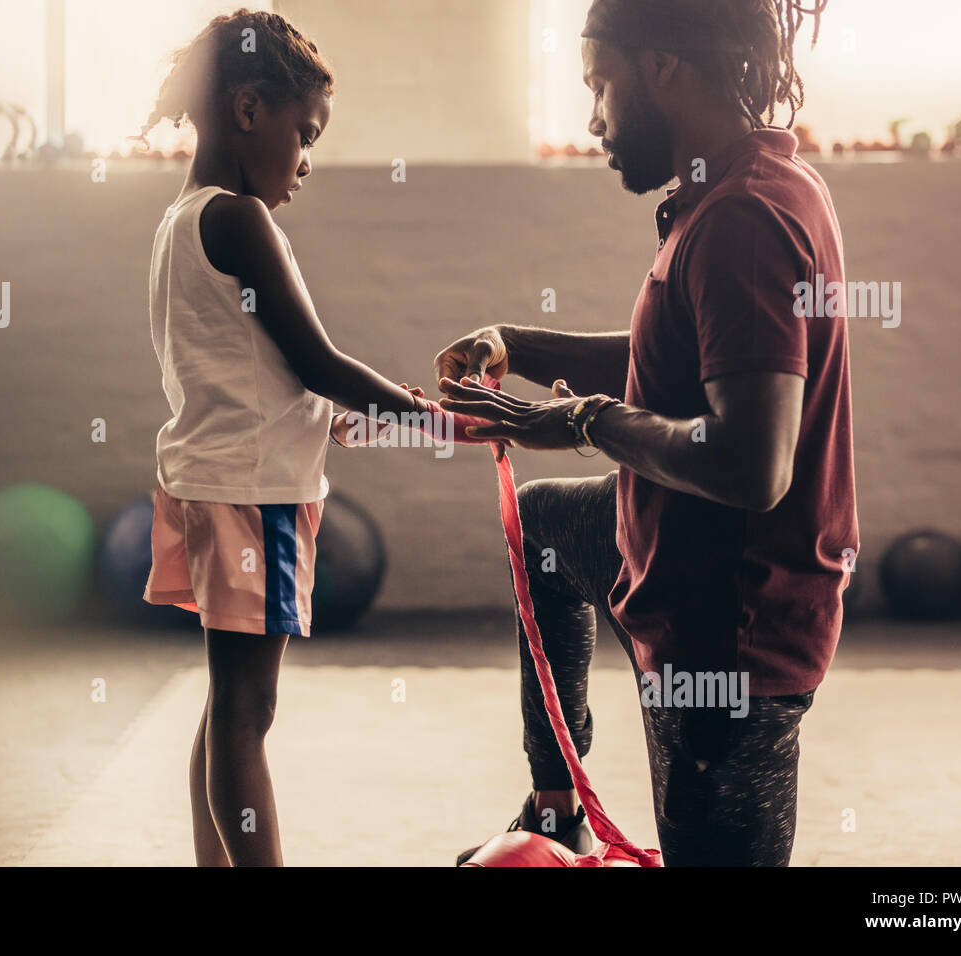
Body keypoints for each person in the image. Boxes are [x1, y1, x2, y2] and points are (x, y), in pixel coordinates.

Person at [437, 0, 856, 866]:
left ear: (663, 67)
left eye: (602, 86)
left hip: (727, 634)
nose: (593, 120)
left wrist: (586, 420)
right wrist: (521, 346)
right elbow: (684, 359)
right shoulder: (740, 193)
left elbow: (753, 464)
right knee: (546, 527)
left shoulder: (743, 222)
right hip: (664, 552)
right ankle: (555, 803)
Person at [138, 9, 487, 867]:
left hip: (215, 484)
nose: (306, 162)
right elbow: (319, 361)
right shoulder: (241, 222)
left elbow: (246, 370)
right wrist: (440, 418)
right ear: (250, 109)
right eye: (306, 135)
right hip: (254, 501)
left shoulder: (182, 222)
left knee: (230, 708)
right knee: (248, 716)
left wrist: (331, 417)